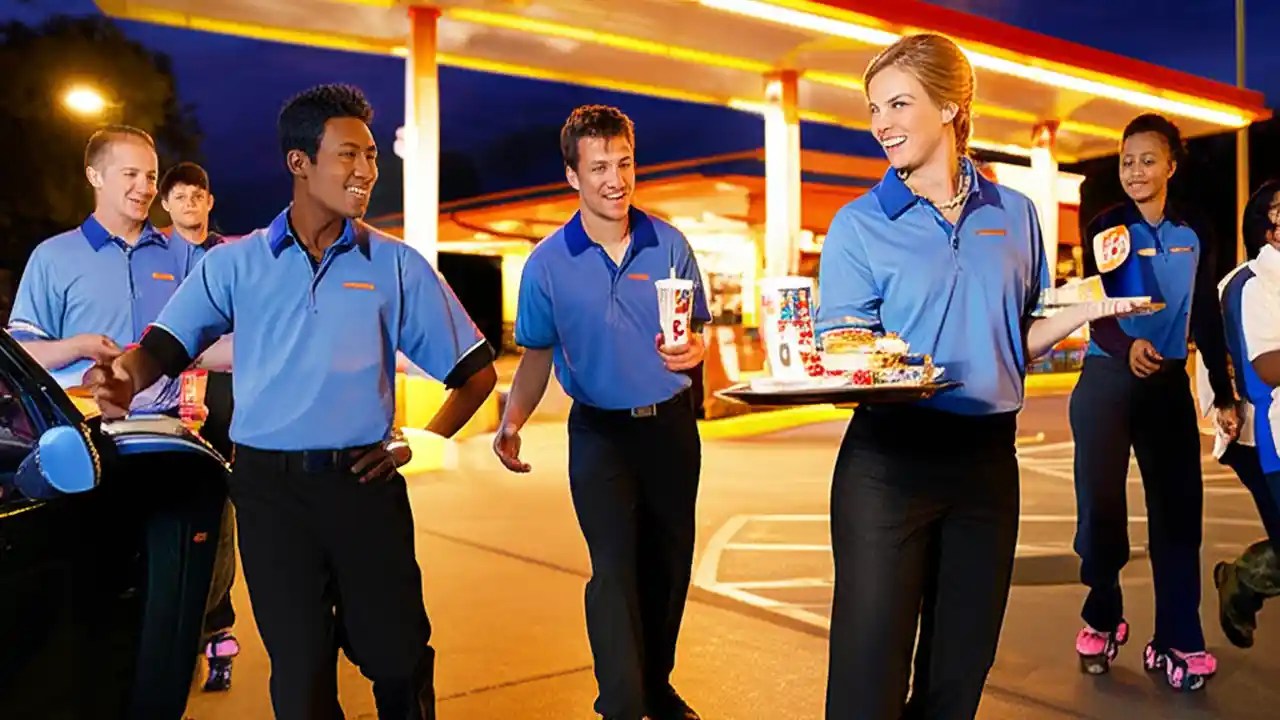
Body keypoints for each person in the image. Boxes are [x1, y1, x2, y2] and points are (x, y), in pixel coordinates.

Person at [87, 84, 497, 720]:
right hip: (268, 494)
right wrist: (124, 378)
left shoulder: (395, 265)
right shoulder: (235, 264)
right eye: (347, 155)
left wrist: (421, 442)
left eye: (370, 156)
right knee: (300, 673)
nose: (365, 170)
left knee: (395, 656)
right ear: (299, 162)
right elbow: (163, 346)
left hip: (365, 486)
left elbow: (473, 372)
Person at [814, 34, 1140, 720]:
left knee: (957, 677)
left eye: (899, 104)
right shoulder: (859, 225)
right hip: (888, 465)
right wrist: (887, 360)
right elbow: (841, 339)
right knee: (866, 682)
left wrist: (1088, 309)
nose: (883, 124)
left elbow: (1015, 336)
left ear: (952, 108)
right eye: (876, 109)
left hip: (988, 463)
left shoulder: (1015, 213)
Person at [493, 104, 708, 720]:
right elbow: (536, 357)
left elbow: (697, 335)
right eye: (599, 167)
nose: (615, 179)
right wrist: (513, 421)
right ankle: (621, 702)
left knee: (667, 566)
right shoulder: (546, 265)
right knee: (613, 570)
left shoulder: (669, 244)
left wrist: (695, 351)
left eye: (624, 163)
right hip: (598, 435)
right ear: (572, 175)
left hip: (669, 429)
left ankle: (656, 687)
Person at [1069, 114, 1235, 691]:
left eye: (1146, 160)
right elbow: (1099, 303)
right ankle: (1103, 607)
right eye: (1125, 161)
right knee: (1101, 513)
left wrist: (1225, 391)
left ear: (1171, 165)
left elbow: (1207, 316)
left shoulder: (1195, 231)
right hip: (1108, 383)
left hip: (1165, 386)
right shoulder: (1108, 227)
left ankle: (1178, 637)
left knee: (1178, 514)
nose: (1134, 171)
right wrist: (1126, 344)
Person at [7, 125, 204, 413]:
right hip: (84, 427)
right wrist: (80, 346)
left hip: (168, 429)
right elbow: (21, 355)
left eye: (151, 177)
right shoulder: (52, 256)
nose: (145, 188)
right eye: (131, 174)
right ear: (94, 176)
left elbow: (211, 342)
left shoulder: (183, 254)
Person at [157, 159, 241, 691]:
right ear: (166, 205)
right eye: (179, 196)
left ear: (210, 202)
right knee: (178, 516)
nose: (190, 203)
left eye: (198, 195)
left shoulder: (232, 257)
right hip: (164, 402)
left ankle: (216, 625)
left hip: (227, 401)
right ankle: (189, 620)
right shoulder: (151, 257)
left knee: (221, 509)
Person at [1211, 179, 1280, 649]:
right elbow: (1263, 369)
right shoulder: (1250, 283)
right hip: (1269, 436)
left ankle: (1244, 581)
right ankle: (1243, 582)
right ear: (1266, 226)